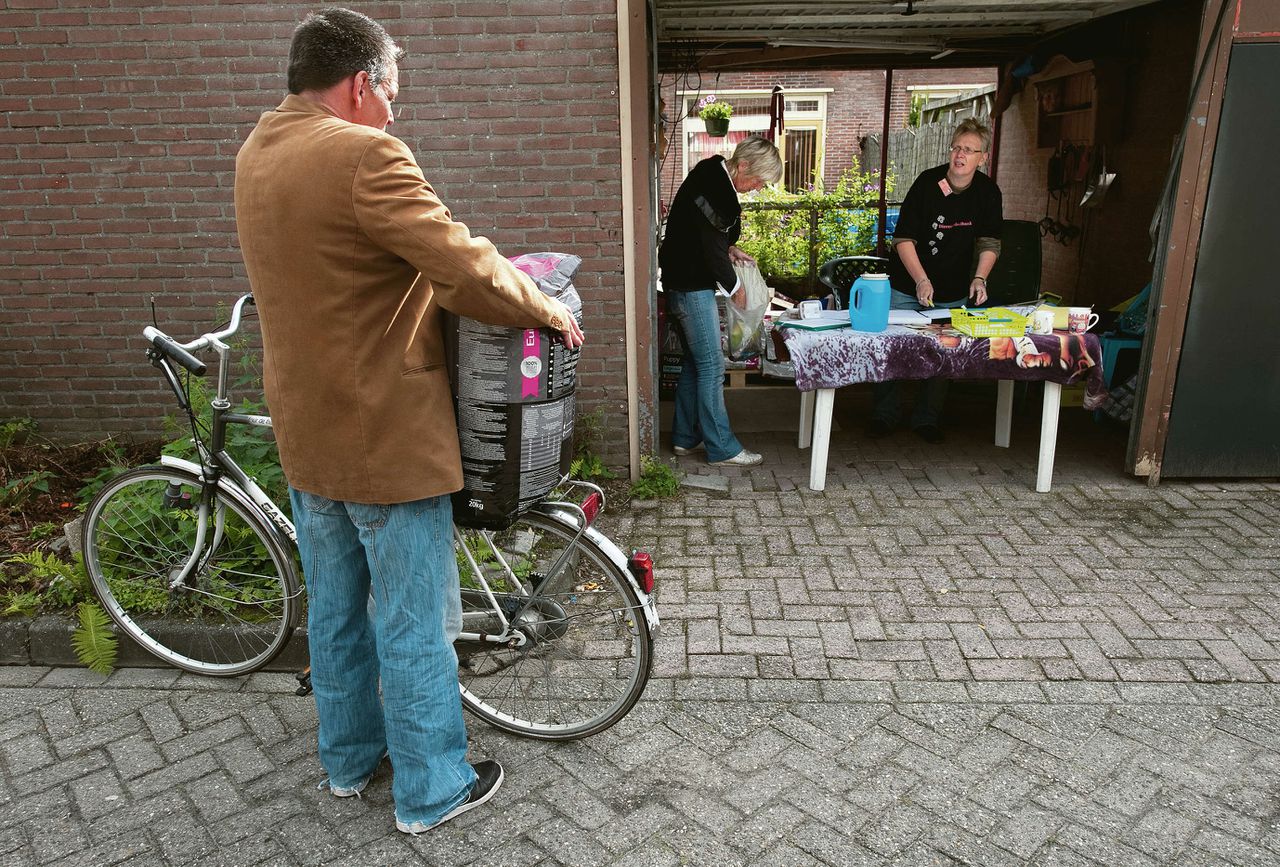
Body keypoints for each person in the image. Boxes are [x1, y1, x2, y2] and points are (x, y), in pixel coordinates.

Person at [233, 8, 583, 835]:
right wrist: (548, 310)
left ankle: (349, 762)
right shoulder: (365, 153)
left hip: (308, 432)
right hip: (384, 436)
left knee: (336, 612)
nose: (396, 111)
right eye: (392, 92)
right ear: (361, 85)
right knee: (415, 621)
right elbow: (460, 262)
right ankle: (433, 788)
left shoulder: (257, 151)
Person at [869, 117, 1003, 444]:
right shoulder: (927, 183)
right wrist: (920, 279)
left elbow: (990, 242)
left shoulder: (987, 192)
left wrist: (980, 278)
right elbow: (903, 239)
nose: (960, 155)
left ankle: (927, 418)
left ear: (982, 158)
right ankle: (884, 415)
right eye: (957, 147)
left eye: (969, 150)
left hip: (952, 289)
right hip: (907, 285)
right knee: (892, 348)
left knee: (943, 352)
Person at [658, 134, 783, 467]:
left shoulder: (710, 174)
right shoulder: (717, 188)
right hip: (690, 287)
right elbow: (709, 247)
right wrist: (735, 285)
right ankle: (722, 447)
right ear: (742, 165)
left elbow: (700, 234)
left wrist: (730, 249)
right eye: (758, 180)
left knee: (694, 363)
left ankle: (685, 438)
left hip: (681, 282)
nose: (758, 187)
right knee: (712, 366)